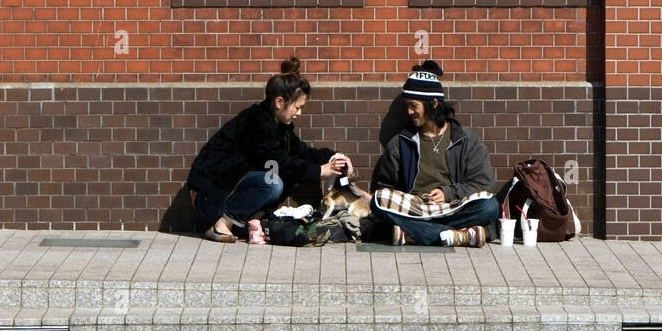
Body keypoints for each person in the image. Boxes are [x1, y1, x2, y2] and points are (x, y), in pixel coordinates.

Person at [187, 56, 355, 242]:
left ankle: (251, 221)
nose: (299, 113)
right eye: (297, 107)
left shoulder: (280, 128)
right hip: (210, 197)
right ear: (279, 103)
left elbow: (303, 152)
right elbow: (277, 164)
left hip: (227, 193)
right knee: (274, 181)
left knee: (288, 176)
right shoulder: (255, 123)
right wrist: (319, 171)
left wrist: (336, 157)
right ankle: (222, 225)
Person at [370, 63, 499, 246]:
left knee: (490, 206)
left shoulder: (465, 140)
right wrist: (410, 200)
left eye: (414, 106)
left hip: (452, 206)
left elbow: (483, 183)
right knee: (377, 201)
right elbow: (385, 187)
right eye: (407, 106)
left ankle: (413, 233)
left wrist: (448, 193)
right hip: (414, 208)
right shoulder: (400, 143)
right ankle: (454, 235)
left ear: (434, 103)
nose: (409, 111)